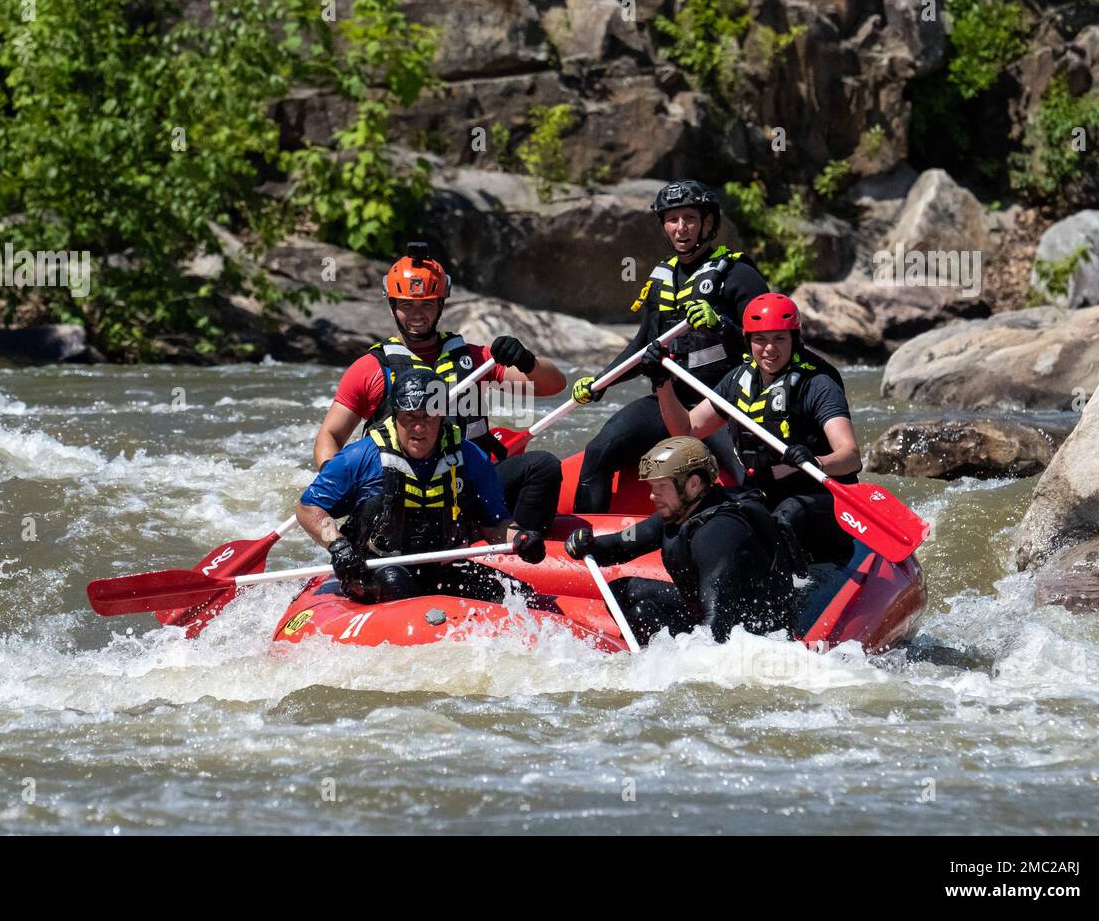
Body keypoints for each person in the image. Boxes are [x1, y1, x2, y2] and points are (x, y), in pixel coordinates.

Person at [314, 242, 567, 534]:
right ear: (393, 306)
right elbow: (330, 435)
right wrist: (337, 479)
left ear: (441, 305)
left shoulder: (475, 360)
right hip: (403, 494)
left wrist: (526, 359)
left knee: (542, 466)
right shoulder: (370, 369)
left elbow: (555, 385)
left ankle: (520, 547)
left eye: (427, 304)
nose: (417, 314)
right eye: (407, 305)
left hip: (469, 485)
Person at [571, 179, 770, 512]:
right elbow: (642, 346)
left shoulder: (739, 275)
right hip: (669, 401)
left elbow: (770, 347)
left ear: (707, 222)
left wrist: (721, 325)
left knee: (747, 473)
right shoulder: (660, 278)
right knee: (599, 450)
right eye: (672, 220)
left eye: (690, 218)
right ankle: (585, 539)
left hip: (723, 403)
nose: (682, 228)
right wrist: (600, 382)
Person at [643, 291, 861, 568]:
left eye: (779, 338)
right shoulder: (738, 380)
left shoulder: (818, 383)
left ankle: (792, 586)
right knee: (696, 507)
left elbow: (851, 455)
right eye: (760, 339)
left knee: (788, 514)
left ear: (794, 338)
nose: (769, 349)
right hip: (764, 493)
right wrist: (662, 384)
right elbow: (686, 430)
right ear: (748, 340)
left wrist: (815, 461)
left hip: (820, 501)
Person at [298, 370, 546, 605]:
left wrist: (522, 537)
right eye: (410, 417)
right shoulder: (360, 457)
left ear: (442, 415)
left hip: (440, 567)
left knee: (519, 596)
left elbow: (495, 527)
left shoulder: (470, 458)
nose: (419, 427)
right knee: (397, 583)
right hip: (373, 568)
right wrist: (338, 545)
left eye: (429, 415)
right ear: (396, 417)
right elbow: (309, 508)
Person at [564, 436, 796, 644]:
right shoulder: (680, 513)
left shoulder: (718, 535)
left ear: (693, 484)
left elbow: (717, 628)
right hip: (711, 608)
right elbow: (618, 546)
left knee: (643, 614)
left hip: (751, 631)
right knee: (622, 590)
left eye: (662, 487)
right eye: (653, 486)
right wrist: (586, 544)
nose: (653, 496)